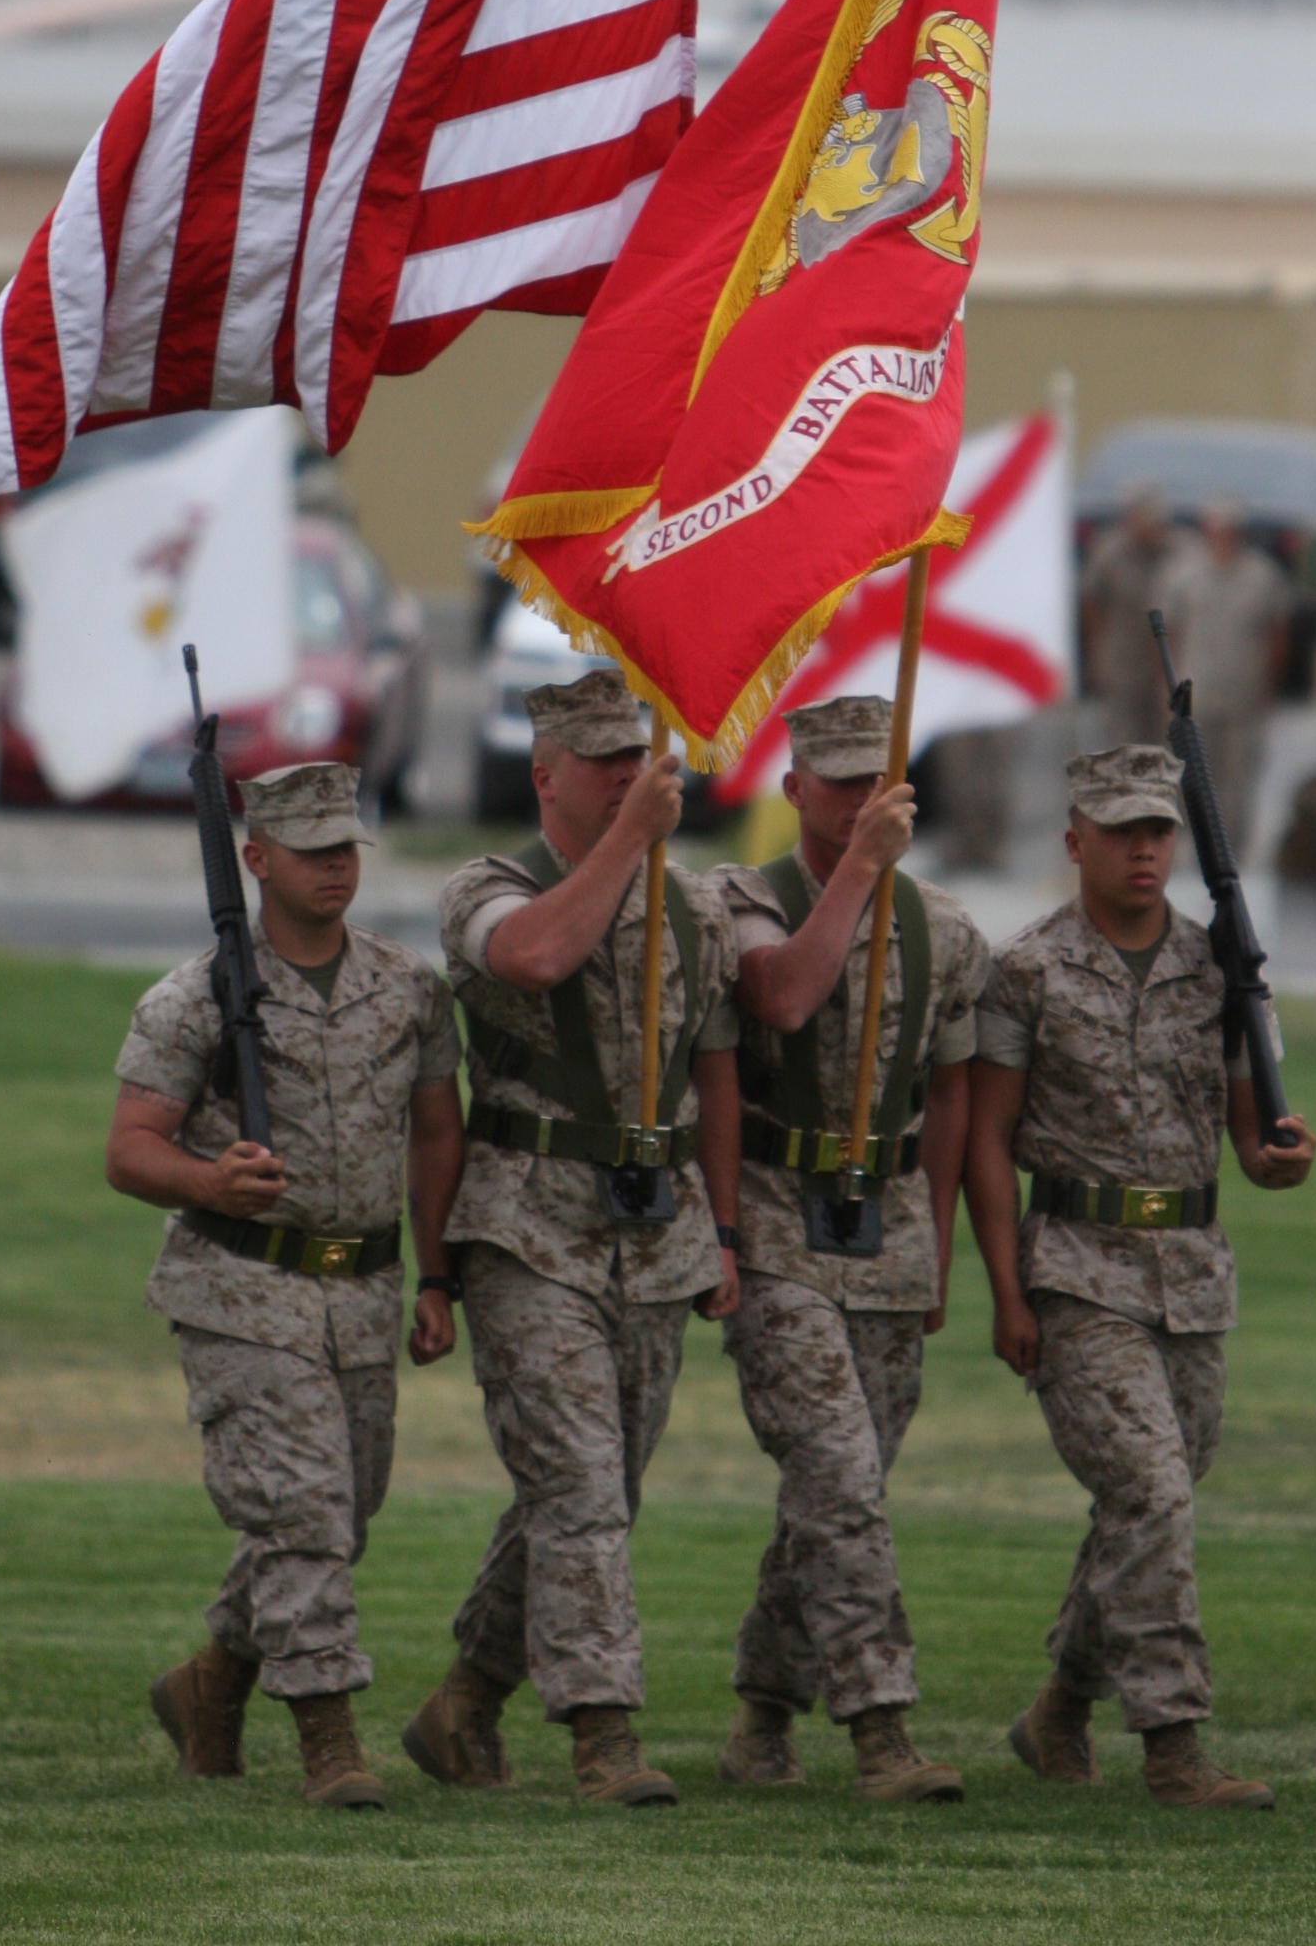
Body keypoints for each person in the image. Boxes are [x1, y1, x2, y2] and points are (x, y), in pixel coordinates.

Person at [406, 671, 741, 1808]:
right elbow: (534, 958)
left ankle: (462, 1702)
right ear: (544, 772)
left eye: (636, 758)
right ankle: (602, 1731)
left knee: (594, 1490)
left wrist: (726, 1228)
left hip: (652, 1234)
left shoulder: (694, 912)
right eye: (601, 761)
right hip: (526, 1227)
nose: (627, 776)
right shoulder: (486, 886)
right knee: (581, 1485)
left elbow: (714, 1073)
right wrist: (631, 842)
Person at [105, 760, 465, 1810]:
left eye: (346, 847)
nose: (335, 868)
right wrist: (210, 1176)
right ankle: (329, 1741)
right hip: (238, 1288)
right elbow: (130, 1150)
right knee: (302, 1510)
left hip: (360, 1289)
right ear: (255, 858)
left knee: (334, 1516)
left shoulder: (407, 987)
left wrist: (436, 1274)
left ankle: (209, 1683)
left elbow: (437, 1130)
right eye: (312, 851)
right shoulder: (195, 996)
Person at [965, 745, 1316, 1811]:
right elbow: (984, 1138)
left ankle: (1059, 1707)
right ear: (1074, 839)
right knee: (1152, 1492)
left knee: (1143, 1505)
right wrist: (1005, 1290)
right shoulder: (1025, 967)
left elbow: (1251, 1127)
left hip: (1193, 1274)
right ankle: (1172, 1742)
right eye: (1120, 830)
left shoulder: (1220, 966)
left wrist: (1276, 1157)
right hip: (1075, 1271)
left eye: (1157, 829)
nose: (1143, 848)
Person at [709, 696, 991, 1803]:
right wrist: (856, 872)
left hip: (892, 1225)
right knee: (835, 1469)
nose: (859, 802)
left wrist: (943, 1253)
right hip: (778, 1218)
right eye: (835, 782)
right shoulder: (739, 899)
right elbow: (778, 992)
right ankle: (880, 1724)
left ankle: (761, 1711)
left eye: (878, 782)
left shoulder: (949, 930)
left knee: (845, 1486)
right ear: (792, 790)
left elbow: (956, 1100)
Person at [1161, 500, 1293, 856]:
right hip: (1197, 691)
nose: (1224, 537)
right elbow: (1171, 631)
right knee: (1196, 769)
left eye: (1230, 530)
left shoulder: (1262, 575)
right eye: (1218, 529)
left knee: (1239, 774)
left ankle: (1233, 845)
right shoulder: (1185, 575)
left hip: (1243, 692)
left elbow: (1277, 634)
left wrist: (1270, 686)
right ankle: (1196, 842)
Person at [1079, 487, 1181, 746]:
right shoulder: (1108, 552)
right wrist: (1097, 651)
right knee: (1124, 740)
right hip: (1122, 659)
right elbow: (1091, 602)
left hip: (1164, 664)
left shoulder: (1178, 551)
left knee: (1165, 740)